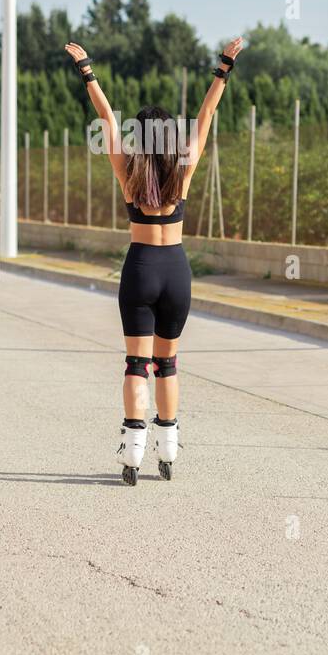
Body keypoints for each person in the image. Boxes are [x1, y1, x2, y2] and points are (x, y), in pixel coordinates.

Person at [64, 36, 244, 484]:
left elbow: (105, 117)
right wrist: (223, 68)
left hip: (141, 269)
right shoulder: (183, 168)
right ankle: (168, 445)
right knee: (168, 363)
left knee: (135, 364)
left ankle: (133, 445)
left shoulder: (128, 171)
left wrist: (87, 71)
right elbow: (206, 116)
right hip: (176, 273)